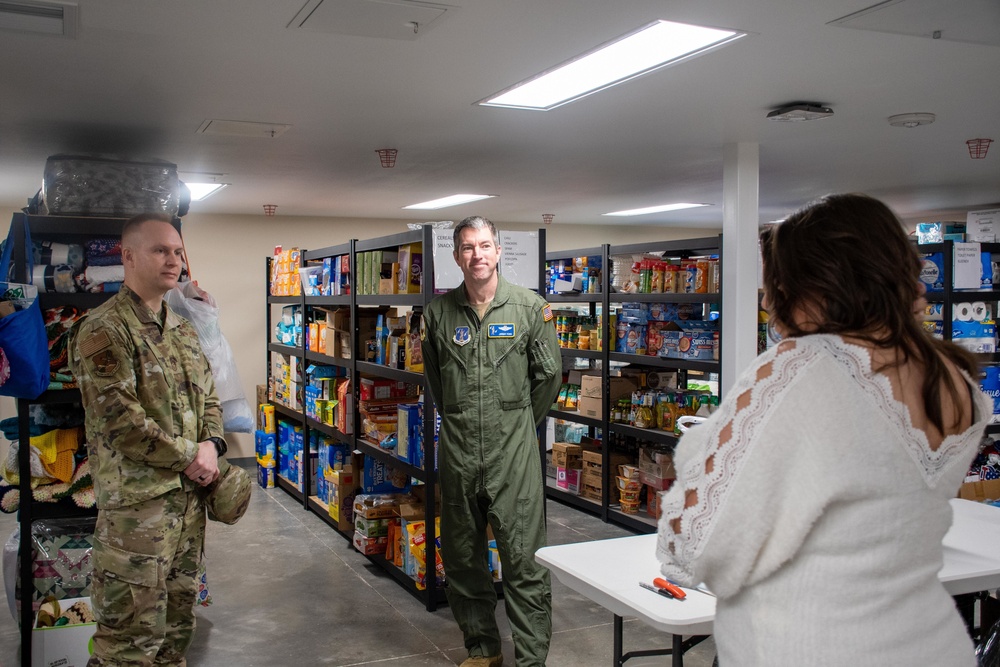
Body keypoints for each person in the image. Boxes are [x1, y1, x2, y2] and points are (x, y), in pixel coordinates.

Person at [656, 193, 991, 667]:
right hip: (929, 643)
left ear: (819, 282)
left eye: (776, 282)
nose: (769, 300)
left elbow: (696, 543)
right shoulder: (954, 378)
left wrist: (699, 448)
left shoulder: (804, 369)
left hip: (809, 647)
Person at [68, 212, 227, 666]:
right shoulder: (103, 329)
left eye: (178, 251)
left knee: (177, 634)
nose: (173, 260)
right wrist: (191, 458)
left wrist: (212, 446)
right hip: (137, 517)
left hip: (186, 513)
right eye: (161, 250)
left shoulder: (183, 329)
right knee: (127, 645)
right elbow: (122, 424)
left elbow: (209, 399)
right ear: (128, 255)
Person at [421, 216, 562, 667]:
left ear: (498, 251)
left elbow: (550, 377)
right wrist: (466, 422)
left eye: (484, 245)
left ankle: (531, 659)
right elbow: (437, 385)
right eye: (467, 247)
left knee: (525, 562)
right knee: (463, 561)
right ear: (456, 255)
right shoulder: (437, 314)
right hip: (460, 456)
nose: (476, 255)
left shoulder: (528, 309)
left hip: (513, 461)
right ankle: (482, 649)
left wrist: (517, 423)